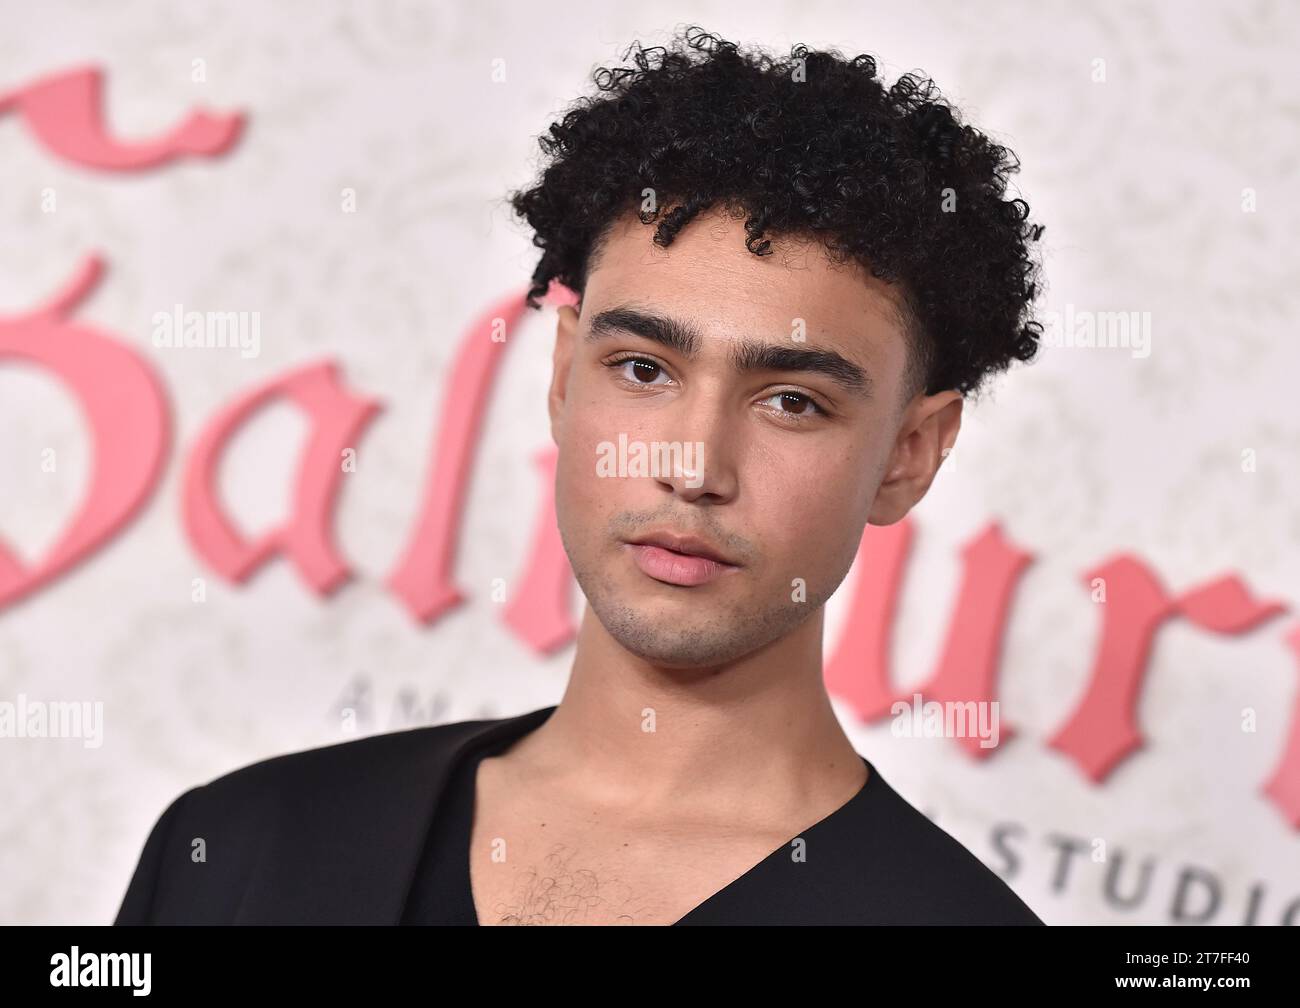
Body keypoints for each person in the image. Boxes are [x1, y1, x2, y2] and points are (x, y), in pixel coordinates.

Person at [116, 25, 1046, 926]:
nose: (693, 467)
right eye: (643, 369)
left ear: (909, 453)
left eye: (792, 401)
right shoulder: (244, 847)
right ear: (565, 374)